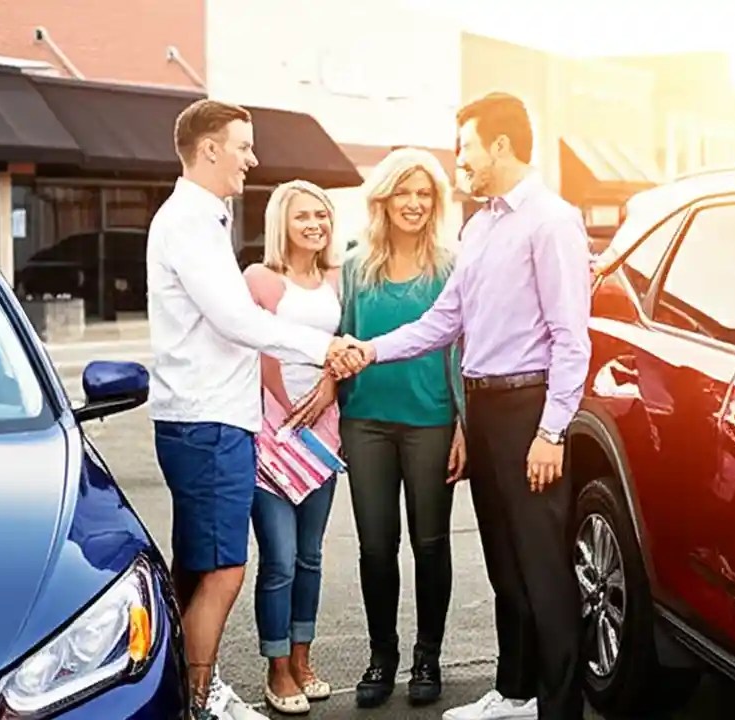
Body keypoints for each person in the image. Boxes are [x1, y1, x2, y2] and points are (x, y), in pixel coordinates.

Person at [330, 92, 591, 720]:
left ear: (499, 145)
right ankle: (515, 690)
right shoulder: (480, 226)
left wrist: (551, 432)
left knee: (543, 569)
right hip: (485, 408)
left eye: (465, 146)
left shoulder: (550, 221)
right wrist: (369, 350)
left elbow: (571, 338)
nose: (460, 161)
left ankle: (560, 709)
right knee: (504, 562)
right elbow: (442, 322)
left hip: (530, 409)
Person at [146, 97, 355, 720]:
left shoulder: (198, 220)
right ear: (210, 148)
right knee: (225, 572)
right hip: (208, 423)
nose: (251, 158)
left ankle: (186, 689)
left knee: (197, 567)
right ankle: (200, 701)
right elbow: (238, 319)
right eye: (243, 145)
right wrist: (326, 346)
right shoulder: (189, 222)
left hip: (203, 419)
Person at [335, 147, 466, 709]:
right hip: (365, 422)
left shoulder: (451, 264)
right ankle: (381, 655)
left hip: (432, 420)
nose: (413, 204)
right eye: (403, 193)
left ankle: (427, 655)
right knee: (375, 546)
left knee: (431, 544)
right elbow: (340, 340)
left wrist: (464, 424)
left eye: (424, 194)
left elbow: (464, 347)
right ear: (382, 199)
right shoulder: (353, 265)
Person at [241, 180, 342, 715]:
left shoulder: (334, 278)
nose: (315, 225)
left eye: (322, 216)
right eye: (304, 215)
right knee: (277, 559)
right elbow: (255, 346)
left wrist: (327, 390)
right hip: (272, 432)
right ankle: (276, 668)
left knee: (310, 557)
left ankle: (303, 659)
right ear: (283, 220)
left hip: (323, 431)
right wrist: (285, 410)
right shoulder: (259, 278)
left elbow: (342, 349)